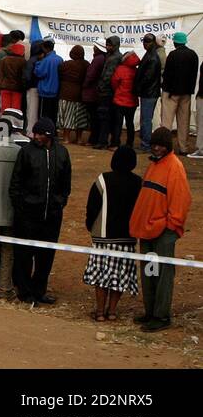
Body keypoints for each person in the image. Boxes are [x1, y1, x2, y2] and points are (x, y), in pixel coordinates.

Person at [130, 127, 192, 332]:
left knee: (163, 274)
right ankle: (151, 311)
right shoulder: (154, 165)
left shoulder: (175, 167)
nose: (156, 148)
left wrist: (170, 227)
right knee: (150, 272)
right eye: (154, 144)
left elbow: (181, 201)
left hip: (163, 232)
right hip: (147, 230)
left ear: (167, 146)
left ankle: (161, 315)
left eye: (160, 145)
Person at [9, 118, 71, 305]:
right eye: (35, 133)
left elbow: (65, 184)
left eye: (40, 134)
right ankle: (24, 291)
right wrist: (22, 208)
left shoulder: (61, 153)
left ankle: (39, 290)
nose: (36, 137)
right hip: (27, 216)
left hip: (51, 216)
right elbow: (16, 183)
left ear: (49, 135)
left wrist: (59, 203)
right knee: (24, 255)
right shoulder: (26, 152)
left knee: (46, 256)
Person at [83, 146, 142, 322]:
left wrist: (90, 225)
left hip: (103, 236)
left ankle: (100, 311)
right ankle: (112, 311)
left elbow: (92, 207)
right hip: (127, 237)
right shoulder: (138, 182)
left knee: (101, 275)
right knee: (120, 276)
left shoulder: (102, 180)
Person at [161, 32, 198, 155]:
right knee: (184, 121)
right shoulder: (193, 55)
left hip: (171, 92)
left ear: (175, 42)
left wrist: (167, 90)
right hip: (186, 93)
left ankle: (164, 147)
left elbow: (167, 74)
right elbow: (194, 75)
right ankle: (183, 148)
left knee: (167, 122)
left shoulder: (173, 55)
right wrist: (189, 90)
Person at [133, 34, 163, 152]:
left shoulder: (153, 57)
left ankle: (146, 144)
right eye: (144, 41)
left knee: (146, 119)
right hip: (149, 92)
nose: (145, 44)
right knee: (145, 118)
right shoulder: (150, 55)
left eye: (148, 42)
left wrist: (138, 88)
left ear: (153, 43)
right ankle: (145, 142)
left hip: (149, 93)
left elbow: (148, 77)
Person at [57, 45, 90, 144]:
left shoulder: (65, 65)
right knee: (79, 117)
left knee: (67, 117)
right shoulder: (86, 65)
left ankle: (66, 138)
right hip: (80, 94)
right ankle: (79, 139)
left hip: (66, 93)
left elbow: (59, 73)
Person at [110, 51, 139, 149]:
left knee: (117, 123)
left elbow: (114, 82)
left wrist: (118, 91)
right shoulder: (136, 71)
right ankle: (130, 143)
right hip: (132, 101)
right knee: (130, 123)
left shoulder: (120, 69)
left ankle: (115, 143)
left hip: (120, 100)